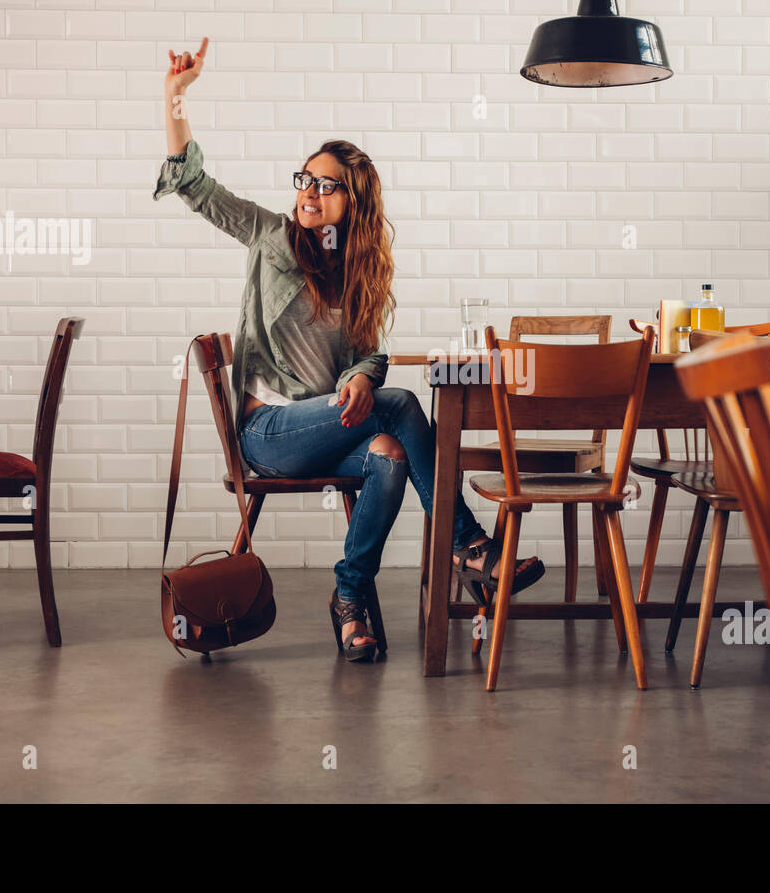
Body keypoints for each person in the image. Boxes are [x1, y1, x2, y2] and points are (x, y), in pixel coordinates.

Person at [155, 38, 544, 662]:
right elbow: (194, 185)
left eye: (328, 185)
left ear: (353, 201)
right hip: (271, 432)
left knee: (389, 450)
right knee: (402, 404)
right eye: (306, 178)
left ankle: (350, 597)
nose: (309, 192)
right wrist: (175, 94)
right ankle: (469, 543)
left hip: (331, 426)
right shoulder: (269, 235)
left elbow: (370, 352)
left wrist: (362, 377)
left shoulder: (359, 273)